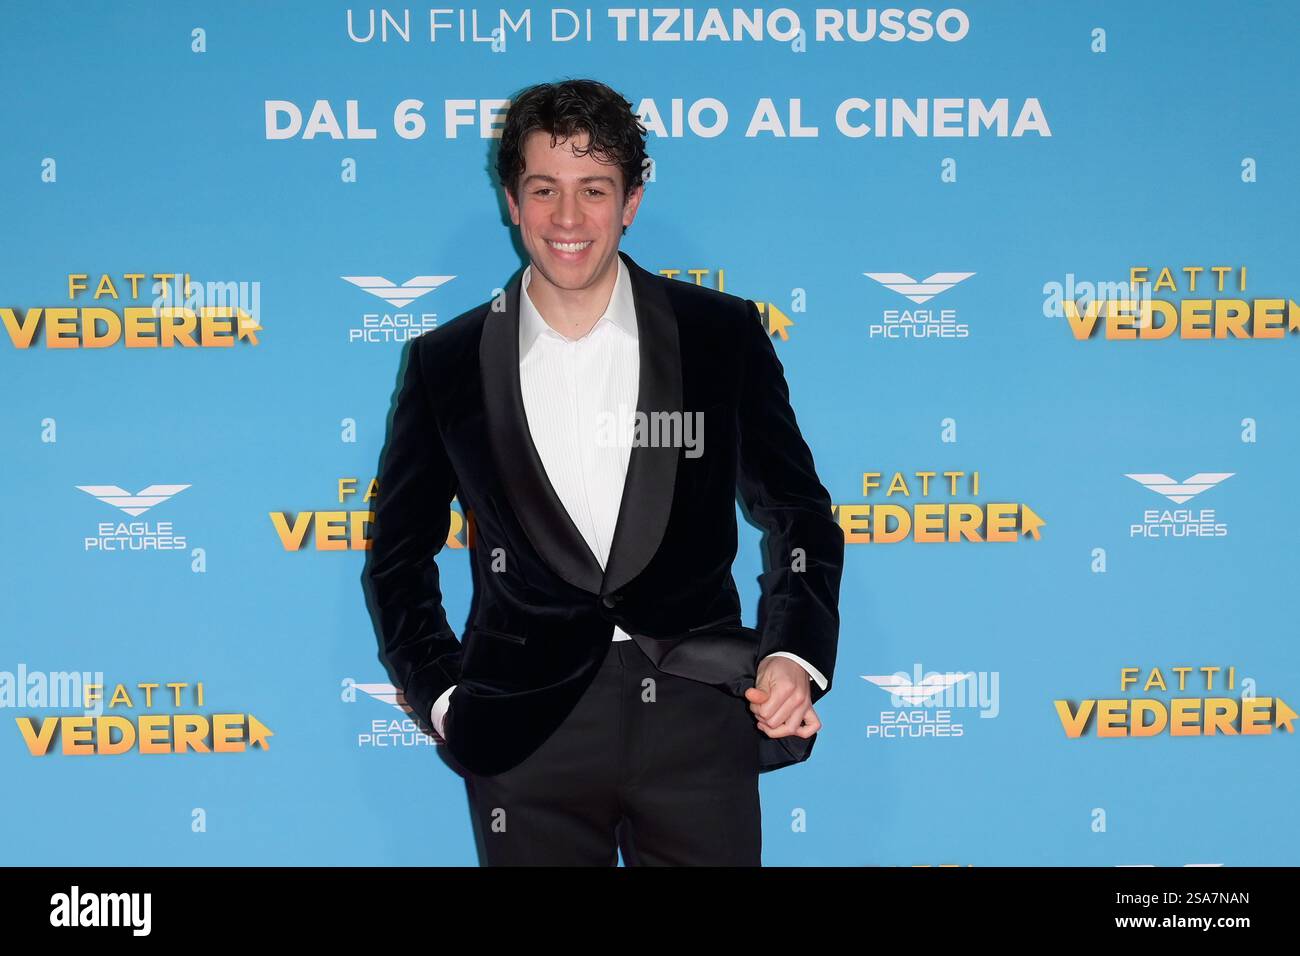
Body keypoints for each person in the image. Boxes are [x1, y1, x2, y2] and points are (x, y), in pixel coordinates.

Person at [366, 78, 844, 865]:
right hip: (525, 731)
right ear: (513, 201)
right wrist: (445, 698)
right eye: (544, 189)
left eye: (594, 190)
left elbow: (798, 513)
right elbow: (397, 558)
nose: (567, 218)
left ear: (631, 201)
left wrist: (793, 654)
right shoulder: (445, 362)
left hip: (697, 714)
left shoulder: (717, 334)